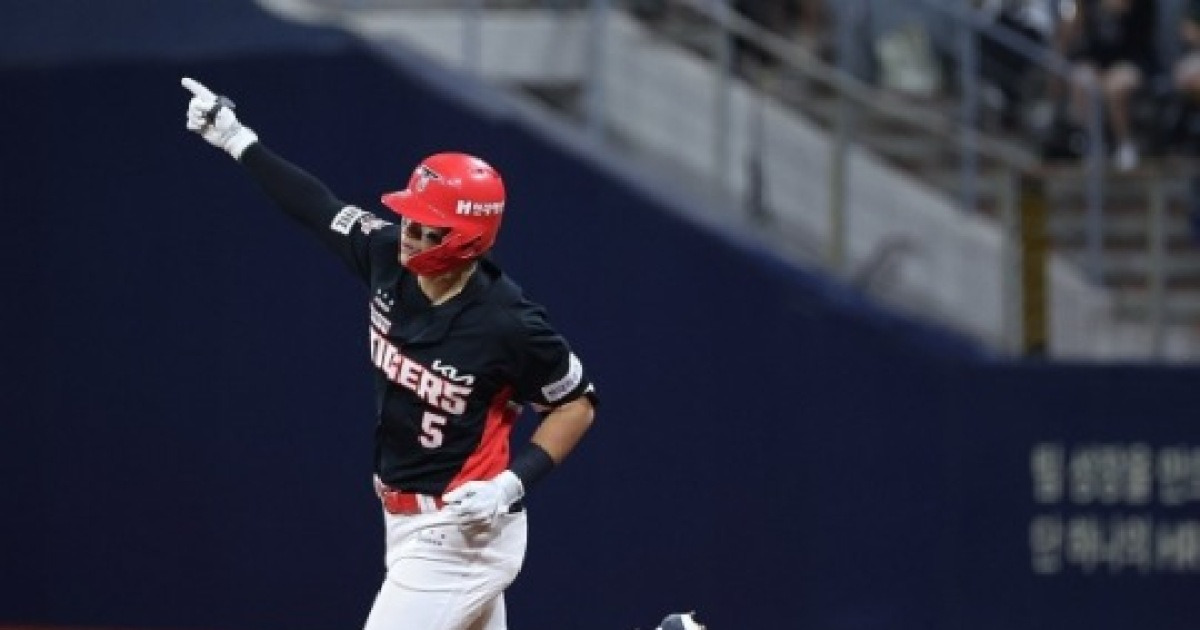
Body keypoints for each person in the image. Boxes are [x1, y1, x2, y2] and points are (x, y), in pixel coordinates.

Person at [181, 77, 597, 630]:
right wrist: (238, 140)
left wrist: (510, 484)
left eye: (428, 228)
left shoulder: (510, 323)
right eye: (409, 217)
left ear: (468, 239)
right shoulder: (386, 256)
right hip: (404, 519)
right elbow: (316, 207)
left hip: (461, 531)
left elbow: (576, 404)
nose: (409, 233)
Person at [1062, 0, 1159, 171]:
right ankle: (1092, 142)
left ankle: (1125, 144)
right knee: (1082, 79)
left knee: (1115, 87)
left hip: (1133, 61)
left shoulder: (1142, 5)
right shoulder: (1088, 5)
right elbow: (1083, 43)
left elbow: (1141, 42)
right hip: (1099, 62)